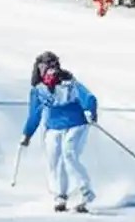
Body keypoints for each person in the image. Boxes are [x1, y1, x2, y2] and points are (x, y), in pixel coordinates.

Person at [21, 59, 98, 212]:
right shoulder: (38, 90)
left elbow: (89, 98)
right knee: (54, 159)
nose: (49, 72)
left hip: (76, 124)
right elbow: (34, 114)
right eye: (44, 68)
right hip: (54, 127)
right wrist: (27, 134)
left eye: (52, 67)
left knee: (68, 153)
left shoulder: (69, 84)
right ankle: (60, 195)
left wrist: (90, 111)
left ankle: (86, 191)